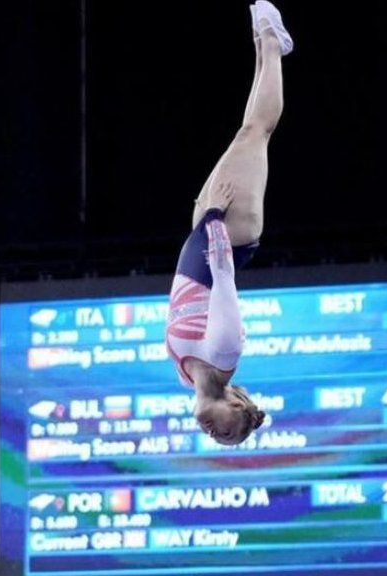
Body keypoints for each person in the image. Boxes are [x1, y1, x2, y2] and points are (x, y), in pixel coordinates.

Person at [165, 0, 292, 446]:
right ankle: (272, 43)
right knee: (256, 132)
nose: (213, 431)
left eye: (216, 438)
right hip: (229, 234)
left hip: (207, 228)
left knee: (247, 131)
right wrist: (215, 216)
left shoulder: (186, 376)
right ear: (237, 403)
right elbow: (222, 276)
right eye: (226, 428)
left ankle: (263, 40)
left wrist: (206, 220)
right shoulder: (223, 352)